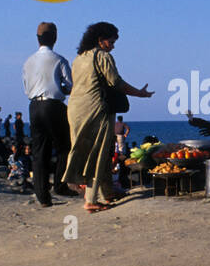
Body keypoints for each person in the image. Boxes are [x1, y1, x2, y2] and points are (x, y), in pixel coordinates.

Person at [63, 22, 153, 211]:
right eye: (111, 42)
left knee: (89, 150)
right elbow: (116, 83)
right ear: (100, 40)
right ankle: (91, 199)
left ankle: (106, 192)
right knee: (98, 151)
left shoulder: (79, 58)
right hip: (95, 108)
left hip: (74, 108)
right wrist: (140, 93)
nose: (112, 46)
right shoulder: (103, 56)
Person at [23, 21, 78, 207]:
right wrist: (61, 88)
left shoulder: (28, 61)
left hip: (34, 106)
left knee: (39, 152)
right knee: (65, 146)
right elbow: (71, 85)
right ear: (55, 38)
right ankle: (60, 185)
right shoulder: (59, 60)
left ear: (37, 38)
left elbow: (26, 87)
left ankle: (42, 195)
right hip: (53, 105)